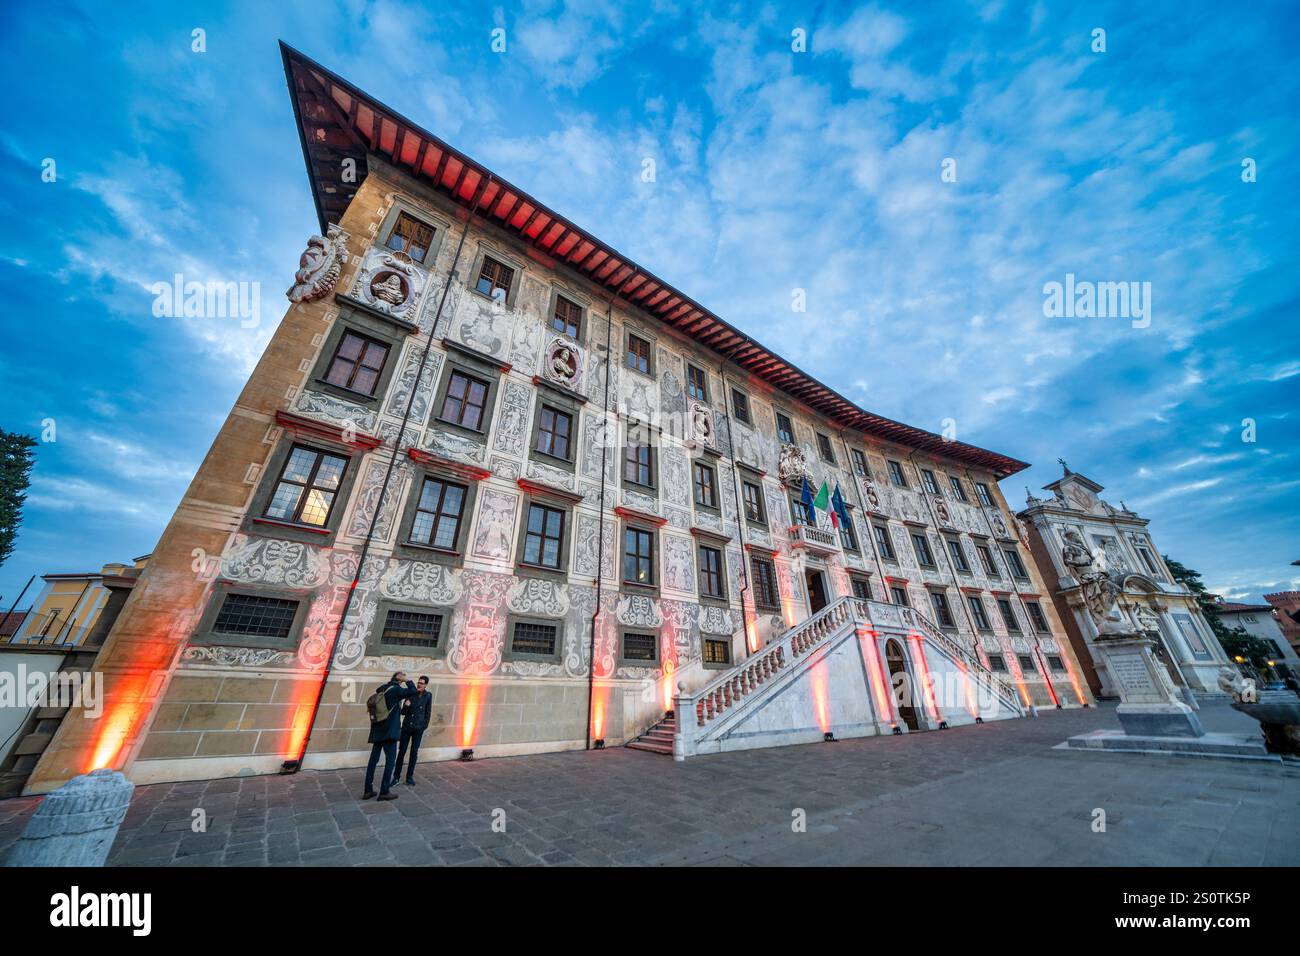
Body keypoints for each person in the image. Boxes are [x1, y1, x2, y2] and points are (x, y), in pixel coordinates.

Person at [363, 671, 418, 800]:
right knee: (390, 761)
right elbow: (414, 691)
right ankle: (384, 791)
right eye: (402, 676)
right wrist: (407, 680)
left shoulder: (383, 688)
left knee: (373, 761)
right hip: (389, 732)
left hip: (377, 729)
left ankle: (368, 790)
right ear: (399, 679)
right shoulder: (396, 690)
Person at [393, 675, 433, 786]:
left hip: (418, 729)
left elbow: (428, 712)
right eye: (418, 682)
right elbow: (403, 712)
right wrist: (406, 706)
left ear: (425, 685)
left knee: (414, 753)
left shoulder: (428, 696)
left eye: (422, 683)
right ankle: (396, 777)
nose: (419, 684)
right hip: (407, 727)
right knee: (401, 752)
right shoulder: (411, 693)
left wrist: (424, 726)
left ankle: (409, 777)